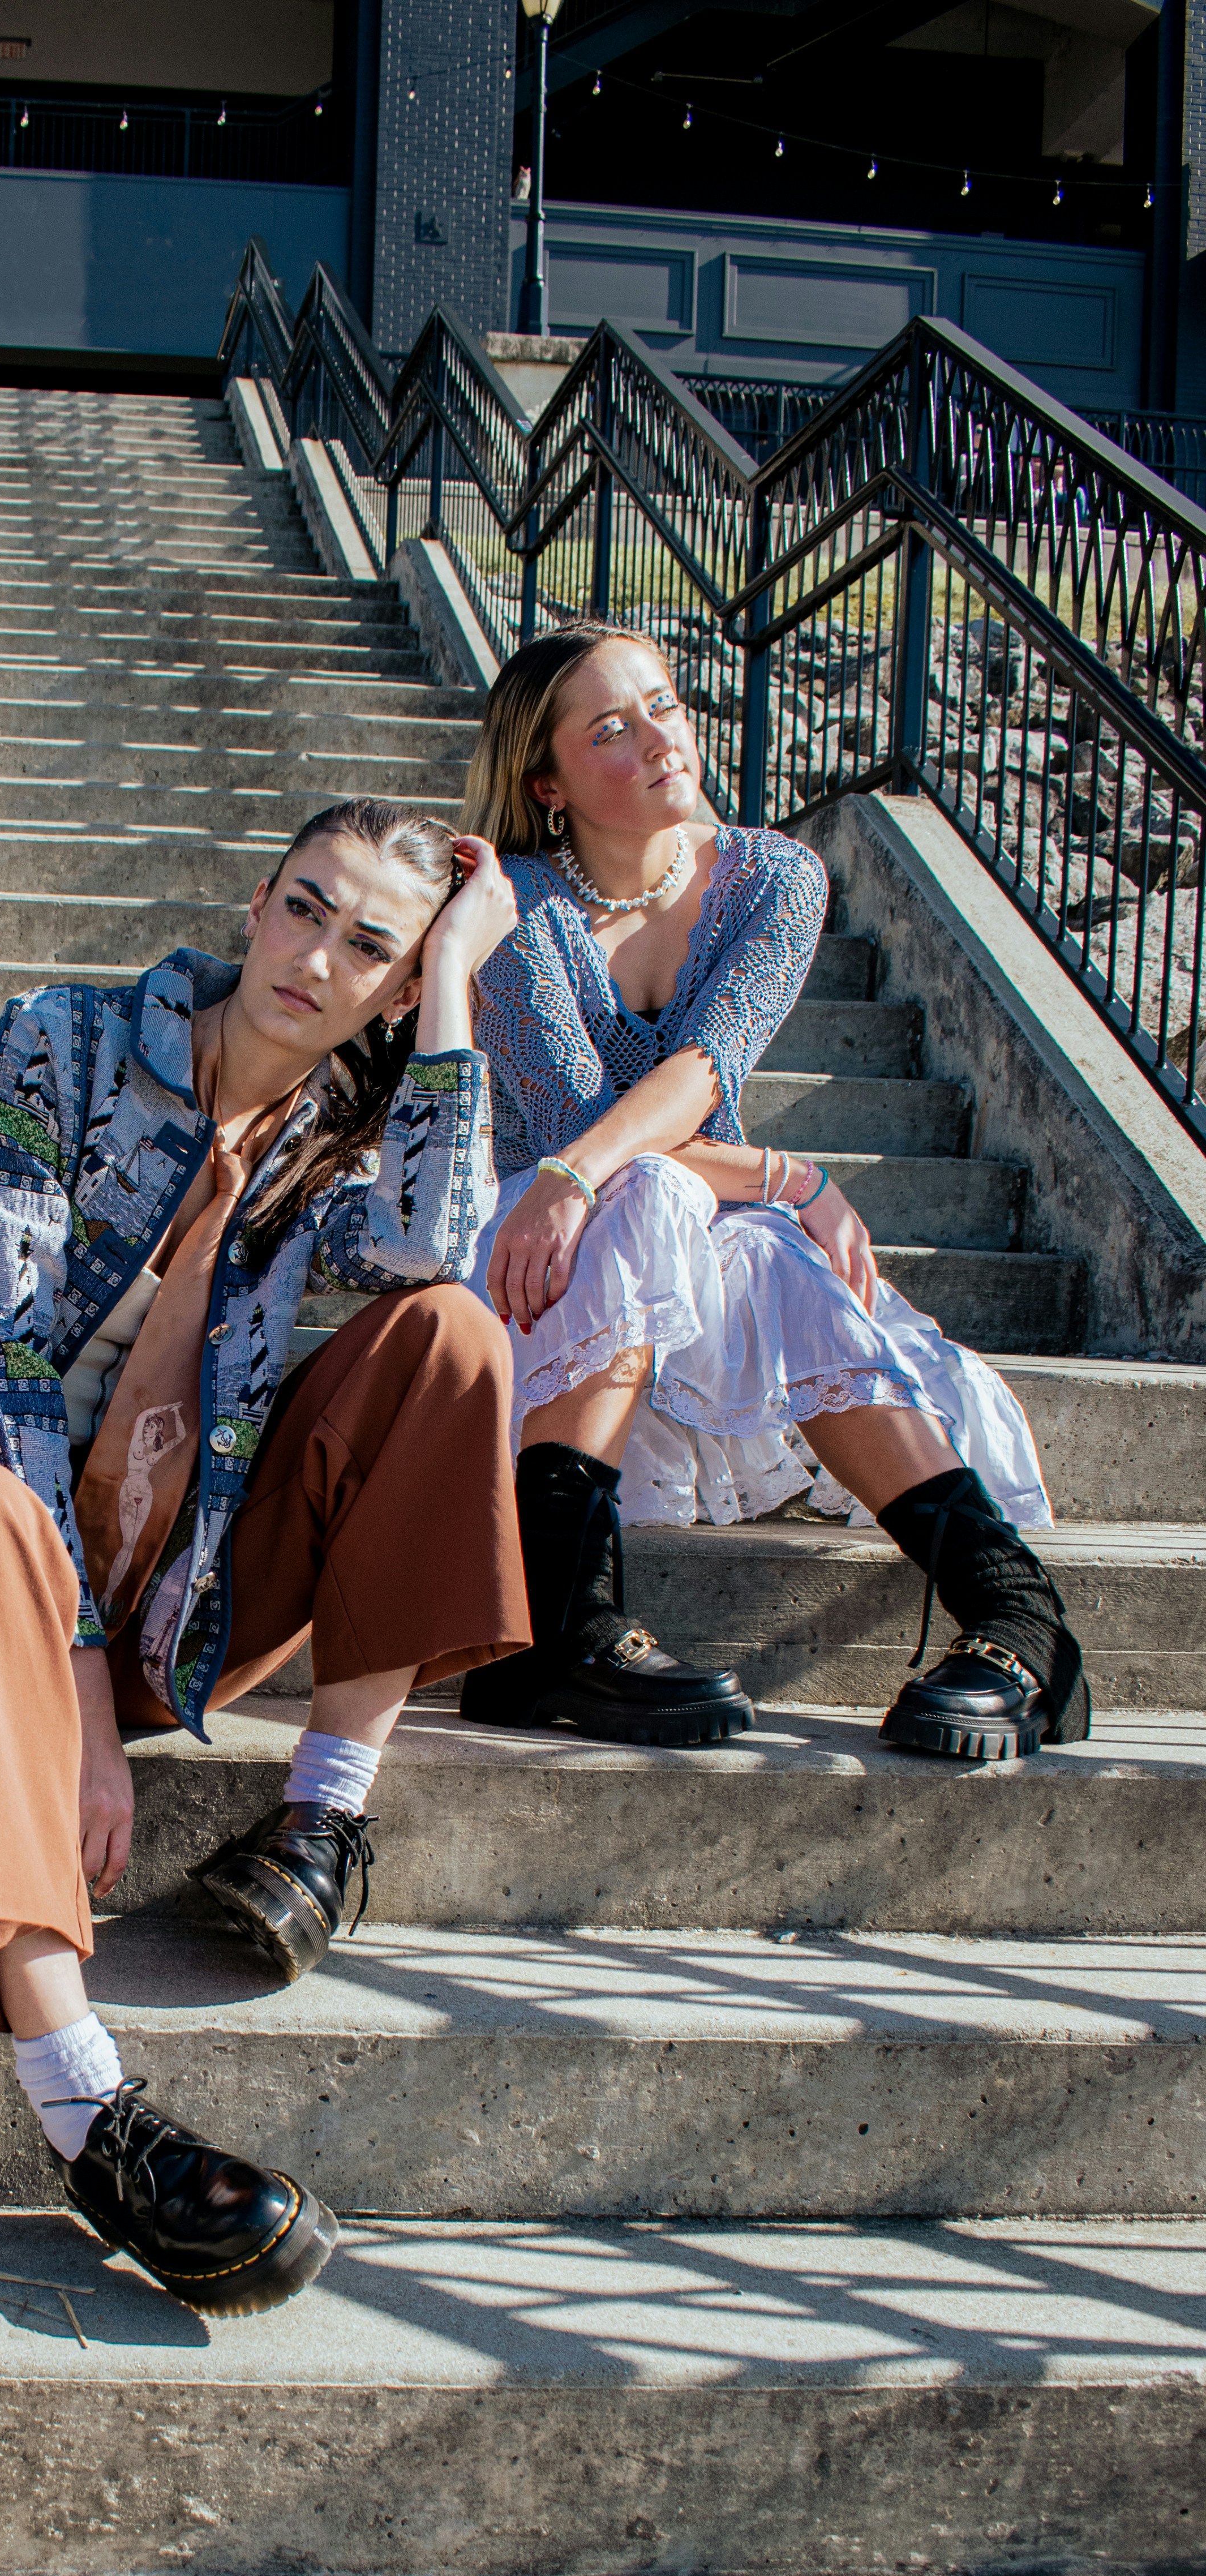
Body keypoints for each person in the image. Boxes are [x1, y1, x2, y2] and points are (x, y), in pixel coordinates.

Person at [0, 802, 529, 2307]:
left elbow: (437, 1256)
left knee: (453, 1342)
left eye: (371, 945)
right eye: (303, 907)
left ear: (396, 987)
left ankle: (326, 1817)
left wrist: (462, 977)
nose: (314, 956)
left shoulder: (341, 1144)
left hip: (179, 1593)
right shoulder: (66, 1045)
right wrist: (81, 1693)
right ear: (260, 899)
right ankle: (84, 2101)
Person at [457, 622, 1086, 1764]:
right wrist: (791, 1176)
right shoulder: (515, 907)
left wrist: (754, 1189)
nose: (658, 738)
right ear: (543, 782)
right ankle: (558, 1614)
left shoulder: (770, 879)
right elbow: (574, 1147)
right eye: (610, 728)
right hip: (547, 1285)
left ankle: (1015, 1618)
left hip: (706, 1285)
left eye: (661, 703)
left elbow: (701, 1074)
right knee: (662, 1202)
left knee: (747, 1249)